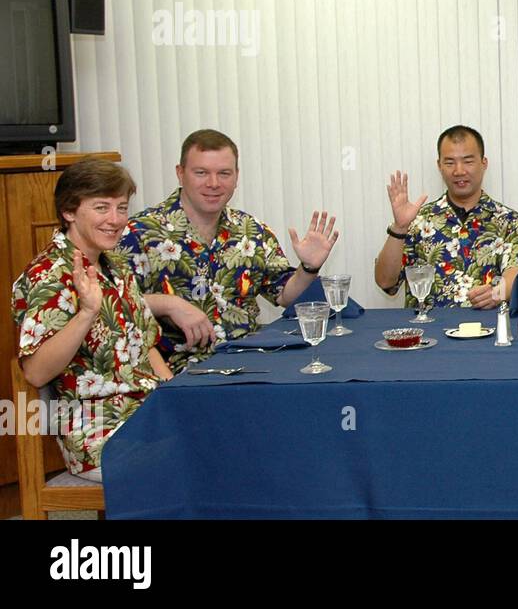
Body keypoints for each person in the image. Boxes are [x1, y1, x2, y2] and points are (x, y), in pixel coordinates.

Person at [119, 129, 339, 371]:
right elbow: (114, 303)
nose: (213, 183)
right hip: (178, 372)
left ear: (236, 177)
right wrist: (169, 304)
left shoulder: (252, 231)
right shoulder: (139, 233)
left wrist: (309, 268)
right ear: (180, 174)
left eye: (224, 173)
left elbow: (284, 296)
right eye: (201, 173)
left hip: (252, 366)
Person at [11, 158, 172, 481]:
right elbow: (36, 371)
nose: (115, 220)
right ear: (69, 211)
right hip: (99, 433)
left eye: (122, 208)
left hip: (147, 414)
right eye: (102, 208)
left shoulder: (117, 266)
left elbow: (147, 346)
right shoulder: (48, 276)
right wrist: (86, 313)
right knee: (203, 459)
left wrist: (175, 394)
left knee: (227, 434)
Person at [374, 125, 518, 308]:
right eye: (450, 162)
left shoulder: (510, 221)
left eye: (468, 161)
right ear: (439, 166)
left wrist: (498, 292)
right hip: (429, 332)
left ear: (483, 164)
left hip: (490, 330)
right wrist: (399, 228)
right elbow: (385, 282)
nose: (459, 171)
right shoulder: (417, 220)